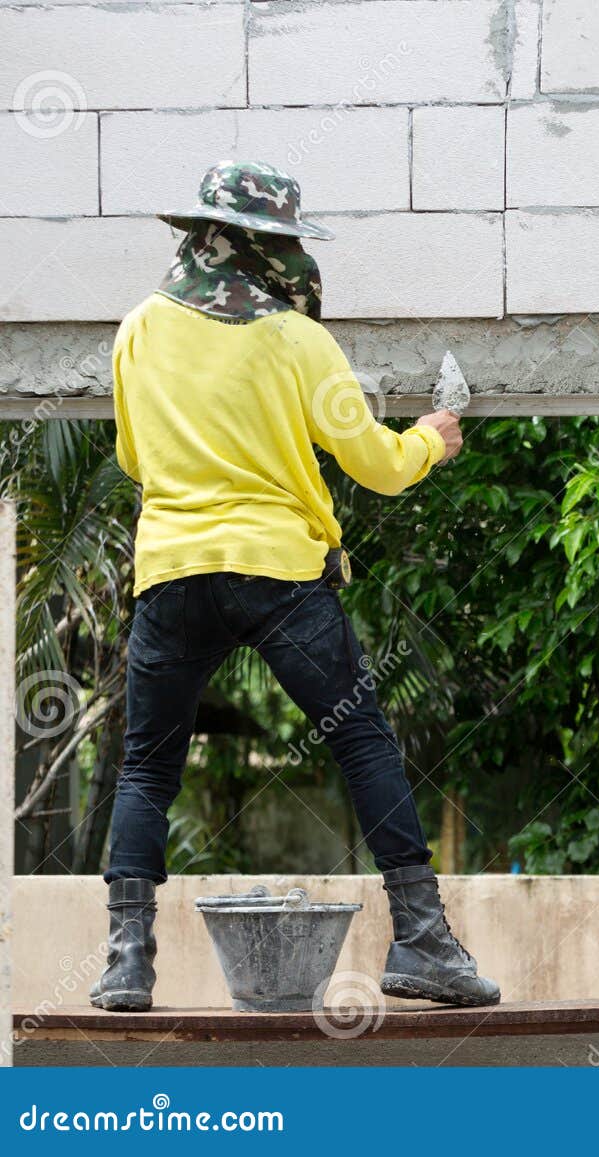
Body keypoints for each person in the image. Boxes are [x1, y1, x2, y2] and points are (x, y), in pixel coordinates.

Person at [88, 160, 499, 1012]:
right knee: (362, 743)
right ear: (271, 249)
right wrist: (430, 437)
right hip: (280, 573)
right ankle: (423, 942)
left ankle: (128, 961)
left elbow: (134, 458)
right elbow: (378, 468)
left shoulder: (137, 329)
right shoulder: (297, 340)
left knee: (146, 769)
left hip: (173, 571)